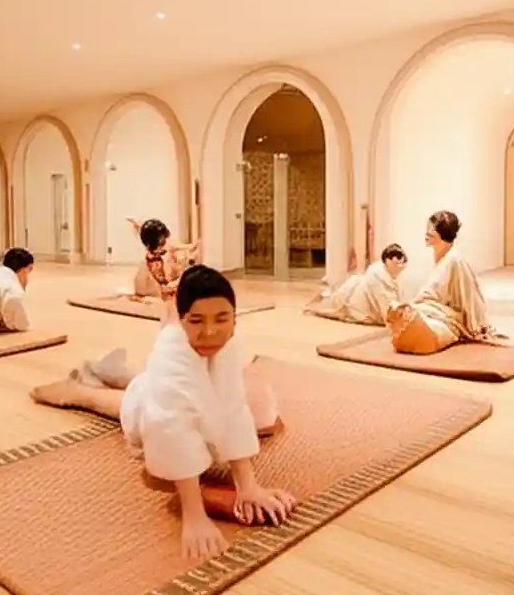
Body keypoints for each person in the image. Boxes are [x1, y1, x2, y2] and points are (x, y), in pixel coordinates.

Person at [31, 265, 295, 560]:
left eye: (222, 319)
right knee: (134, 402)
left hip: (167, 386)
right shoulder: (170, 353)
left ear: (234, 319)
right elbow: (172, 431)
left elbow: (233, 406)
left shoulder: (229, 344)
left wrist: (249, 487)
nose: (210, 332)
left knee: (262, 410)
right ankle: (77, 392)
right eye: (196, 321)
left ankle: (115, 373)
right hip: (147, 405)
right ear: (182, 321)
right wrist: (194, 515)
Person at [386, 211, 499, 355]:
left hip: (445, 320)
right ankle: (413, 325)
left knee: (427, 330)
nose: (427, 232)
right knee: (403, 313)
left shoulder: (455, 261)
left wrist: (477, 326)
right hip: (429, 311)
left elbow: (470, 298)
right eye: (428, 228)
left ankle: (417, 329)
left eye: (432, 230)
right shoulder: (435, 259)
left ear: (443, 233)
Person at [305, 243, 408, 325]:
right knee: (330, 305)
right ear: (387, 261)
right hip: (353, 300)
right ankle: (319, 300)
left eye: (402, 263)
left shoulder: (394, 278)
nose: (400, 266)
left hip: (357, 294)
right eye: (397, 262)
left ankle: (323, 299)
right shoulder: (378, 276)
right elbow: (388, 314)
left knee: (331, 302)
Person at [129, 218, 199, 301]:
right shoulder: (152, 263)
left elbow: (176, 246)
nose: (165, 241)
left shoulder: (164, 249)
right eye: (162, 240)